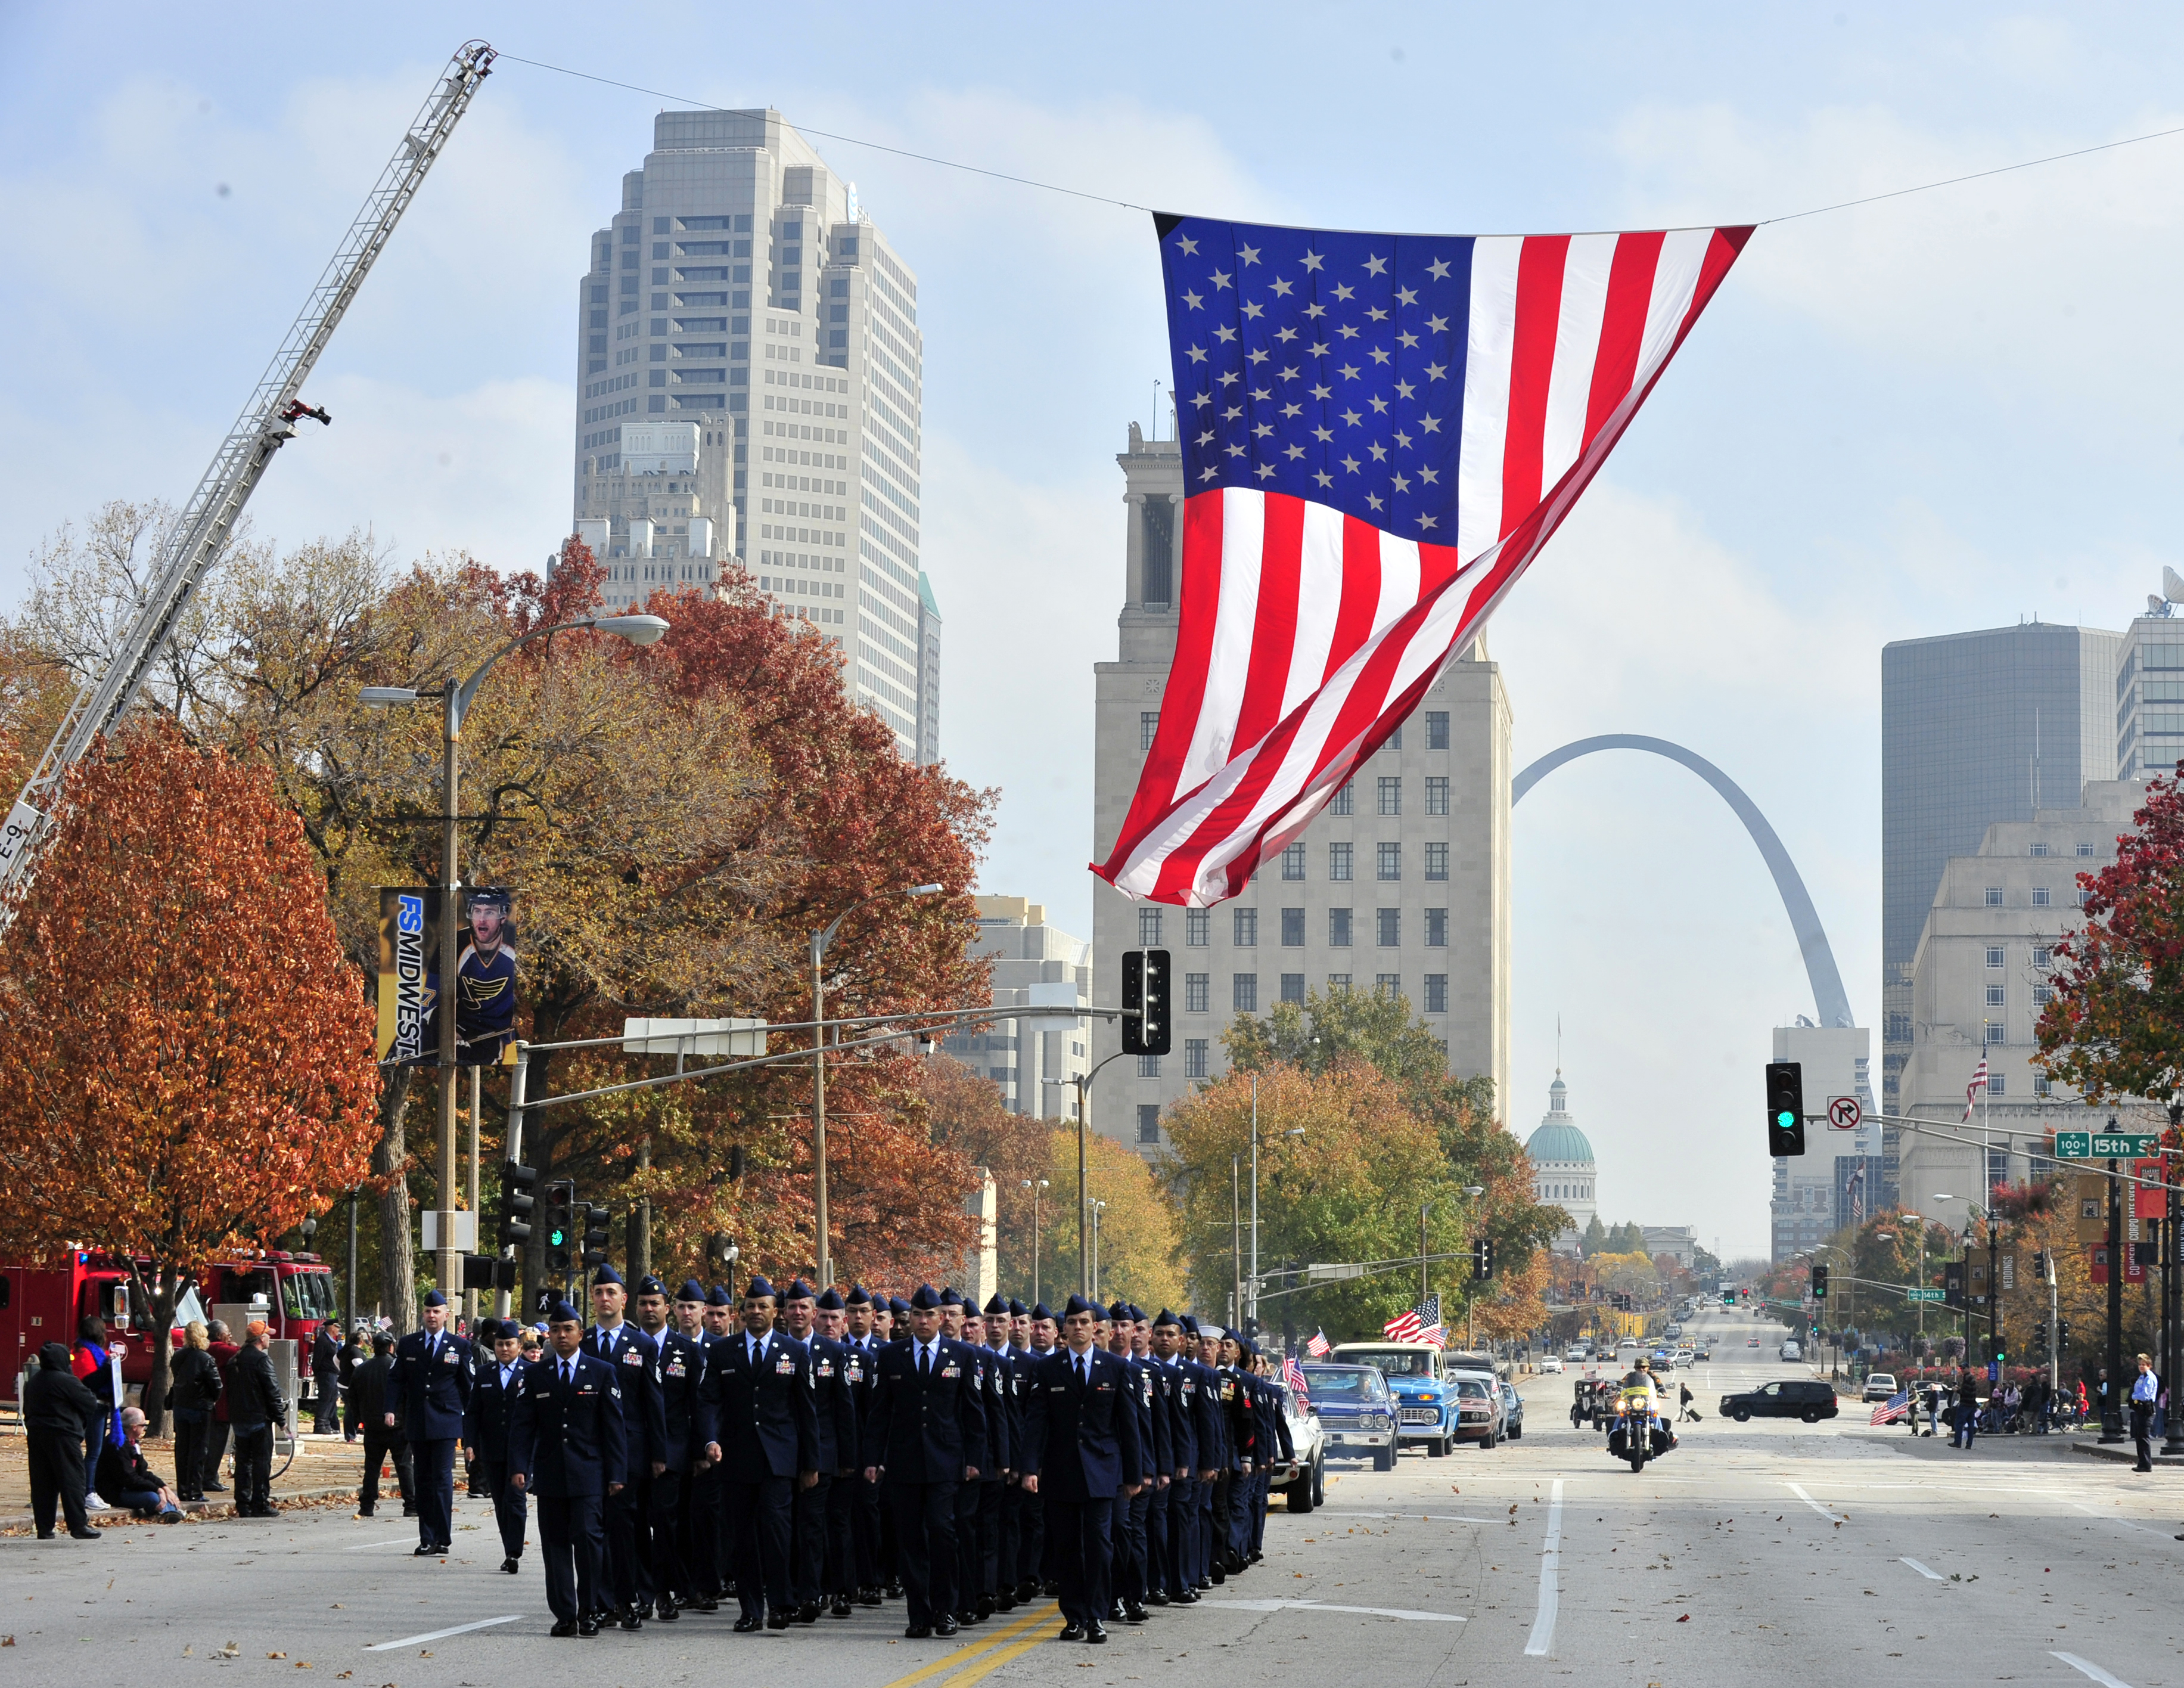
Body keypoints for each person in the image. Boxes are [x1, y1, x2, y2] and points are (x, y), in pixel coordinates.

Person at [1020, 1293, 1145, 1645]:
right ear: (1064, 1330)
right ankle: (1074, 1617)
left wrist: (1133, 1475)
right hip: (1061, 1473)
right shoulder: (1047, 1370)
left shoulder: (1117, 1369)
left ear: (1095, 1328)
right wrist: (1031, 1468)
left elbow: (1129, 1426)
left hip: (1103, 1472)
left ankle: (1097, 1616)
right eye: (1072, 1323)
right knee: (1067, 1548)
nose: (1078, 1328)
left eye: (1084, 1323)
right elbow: (1036, 1423)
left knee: (1100, 1547)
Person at [863, 1282, 986, 1639]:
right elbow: (879, 1413)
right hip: (904, 1461)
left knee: (943, 1531)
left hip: (946, 1460)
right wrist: (873, 1457)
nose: (922, 1321)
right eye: (916, 1315)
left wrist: (975, 1459)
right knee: (910, 1539)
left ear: (943, 1318)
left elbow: (973, 1413)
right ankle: (919, 1614)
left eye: (930, 1315)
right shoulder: (891, 1356)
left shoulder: (961, 1356)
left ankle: (946, 1610)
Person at [698, 1274, 819, 1634]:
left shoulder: (794, 1351)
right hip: (735, 1459)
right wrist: (710, 1441)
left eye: (762, 1306)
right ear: (741, 1312)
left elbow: (806, 1411)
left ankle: (781, 1604)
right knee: (742, 1537)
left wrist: (811, 1463)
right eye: (750, 1307)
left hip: (779, 1460)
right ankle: (751, 1609)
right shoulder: (722, 1352)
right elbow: (708, 1401)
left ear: (774, 1312)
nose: (755, 1312)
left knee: (777, 1533)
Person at [529, 1299, 627, 1638]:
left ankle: (590, 1610)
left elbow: (614, 1428)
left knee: (588, 1541)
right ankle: (564, 1614)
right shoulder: (537, 1373)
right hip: (551, 1474)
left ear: (580, 1334)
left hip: (589, 1473)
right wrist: (518, 1466)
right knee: (555, 1545)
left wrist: (617, 1474)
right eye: (555, 1330)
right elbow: (524, 1425)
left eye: (568, 1329)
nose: (561, 1335)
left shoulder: (601, 1372)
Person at [585, 1264, 664, 1629]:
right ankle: (601, 1601)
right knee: (592, 1528)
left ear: (623, 1299)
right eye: (599, 1292)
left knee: (626, 1528)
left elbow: (653, 1402)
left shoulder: (642, 1345)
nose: (605, 1299)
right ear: (592, 1298)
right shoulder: (581, 1342)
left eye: (611, 1293)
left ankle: (629, 1598)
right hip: (588, 1450)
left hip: (631, 1450)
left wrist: (659, 1454)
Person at [388, 1289, 473, 1556]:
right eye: (428, 1311)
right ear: (422, 1314)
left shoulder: (459, 1346)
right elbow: (396, 1379)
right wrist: (390, 1409)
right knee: (422, 1480)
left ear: (447, 1315)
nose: (432, 1316)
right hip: (417, 1420)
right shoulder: (409, 1344)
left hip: (446, 1421)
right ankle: (426, 1538)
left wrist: (473, 1425)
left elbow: (468, 1387)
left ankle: (442, 1537)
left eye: (437, 1312)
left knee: (442, 1479)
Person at [464, 1318, 537, 1572]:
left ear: (519, 1346)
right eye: (500, 1344)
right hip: (492, 1448)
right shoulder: (485, 1374)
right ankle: (509, 1549)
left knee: (515, 1499)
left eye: (509, 1344)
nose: (504, 1349)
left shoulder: (531, 1372)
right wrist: (470, 1443)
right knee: (500, 1502)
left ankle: (514, 1552)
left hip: (523, 1450)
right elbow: (474, 1412)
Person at [24, 1342, 102, 1540]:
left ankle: (44, 1526)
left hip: (36, 1434)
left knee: (43, 1482)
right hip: (63, 1434)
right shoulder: (66, 1380)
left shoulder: (34, 1382)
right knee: (72, 1479)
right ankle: (78, 1525)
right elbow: (90, 1402)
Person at [228, 1319, 288, 1518]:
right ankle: (260, 1503)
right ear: (261, 1339)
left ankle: (243, 1504)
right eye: (268, 1335)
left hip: (239, 1419)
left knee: (243, 1462)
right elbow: (272, 1392)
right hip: (258, 1419)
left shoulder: (235, 1359)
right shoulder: (262, 1360)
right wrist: (281, 1420)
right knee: (262, 1463)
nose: (270, 1338)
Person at [352, 1329, 415, 1518]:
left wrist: (360, 1420)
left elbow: (353, 1399)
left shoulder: (362, 1370)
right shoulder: (399, 1368)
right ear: (391, 1347)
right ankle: (411, 1504)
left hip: (372, 1426)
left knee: (372, 1467)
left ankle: (367, 1505)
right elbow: (408, 1396)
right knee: (404, 1466)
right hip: (398, 1425)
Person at [72, 1315, 125, 1509]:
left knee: (95, 1451)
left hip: (99, 1406)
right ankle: (88, 1491)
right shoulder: (85, 1352)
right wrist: (108, 1367)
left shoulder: (89, 1351)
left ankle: (89, 1488)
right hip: (93, 1406)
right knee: (93, 1452)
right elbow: (90, 1381)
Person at [98, 1407, 185, 1521]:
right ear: (134, 1427)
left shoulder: (133, 1443)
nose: (144, 1428)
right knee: (152, 1497)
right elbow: (129, 1478)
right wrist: (158, 1490)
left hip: (130, 1487)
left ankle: (170, 1512)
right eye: (143, 1425)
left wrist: (164, 1487)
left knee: (170, 1493)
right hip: (115, 1491)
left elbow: (143, 1472)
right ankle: (167, 1513)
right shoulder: (117, 1445)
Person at [167, 1320, 222, 1503]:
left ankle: (183, 1489)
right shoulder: (205, 1359)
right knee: (198, 1450)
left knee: (182, 1449)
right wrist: (211, 1399)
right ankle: (195, 1491)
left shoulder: (178, 1356)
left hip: (181, 1406)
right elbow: (216, 1386)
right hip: (200, 1407)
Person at [310, 1318, 343, 1436]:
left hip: (333, 1375)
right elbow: (317, 1360)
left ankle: (328, 1424)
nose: (339, 1330)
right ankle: (320, 1424)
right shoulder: (323, 1341)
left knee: (332, 1399)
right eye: (337, 1327)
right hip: (326, 1374)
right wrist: (317, 1374)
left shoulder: (331, 1341)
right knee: (326, 1399)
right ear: (331, 1327)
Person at [337, 1324, 368, 1442]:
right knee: (351, 1409)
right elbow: (358, 1364)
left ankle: (354, 1432)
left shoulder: (345, 1349)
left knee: (351, 1408)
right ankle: (351, 1435)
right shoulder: (356, 1351)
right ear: (360, 1341)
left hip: (342, 1382)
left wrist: (342, 1370)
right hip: (350, 1384)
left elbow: (336, 1359)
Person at [2131, 1352, 2160, 1472]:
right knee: (2139, 1436)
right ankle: (2142, 1462)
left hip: (2147, 1408)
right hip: (2140, 1409)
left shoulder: (2149, 1378)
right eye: (2140, 1365)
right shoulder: (2142, 1377)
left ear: (2149, 1366)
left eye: (2144, 1365)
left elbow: (2145, 1394)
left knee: (2144, 1437)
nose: (2141, 1367)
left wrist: (2134, 1396)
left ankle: (2147, 1464)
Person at [1955, 1373, 1980, 1450]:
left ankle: (1958, 1442)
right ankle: (1969, 1444)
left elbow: (1965, 1393)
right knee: (1971, 1425)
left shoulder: (1967, 1382)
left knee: (1959, 1423)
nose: (1962, 1370)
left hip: (1966, 1404)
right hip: (1972, 1405)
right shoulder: (1973, 1382)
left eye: (1963, 1369)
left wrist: (1958, 1390)